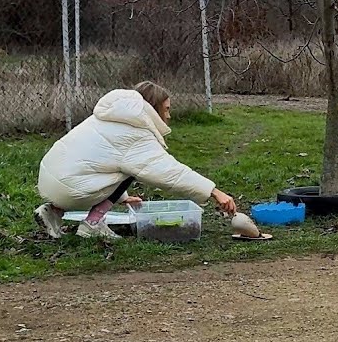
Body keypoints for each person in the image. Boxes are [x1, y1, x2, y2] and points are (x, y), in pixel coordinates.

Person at [33, 81, 237, 241]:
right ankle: (92, 225)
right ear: (152, 109)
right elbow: (170, 173)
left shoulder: (111, 117)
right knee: (135, 170)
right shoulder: (135, 133)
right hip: (71, 188)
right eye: (166, 109)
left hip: (51, 179)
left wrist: (122, 198)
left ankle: (53, 211)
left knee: (127, 168)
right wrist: (214, 191)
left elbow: (100, 164)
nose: (169, 115)